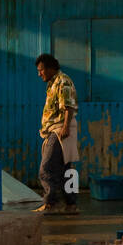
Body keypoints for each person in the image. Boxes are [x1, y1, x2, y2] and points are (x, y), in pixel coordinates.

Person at [34, 53, 80, 216]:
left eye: (41, 70)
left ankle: (50, 203)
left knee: (46, 168)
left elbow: (68, 106)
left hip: (60, 129)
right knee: (66, 169)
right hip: (57, 129)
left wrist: (65, 127)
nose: (40, 74)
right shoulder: (53, 83)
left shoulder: (63, 81)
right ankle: (71, 205)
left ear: (50, 68)